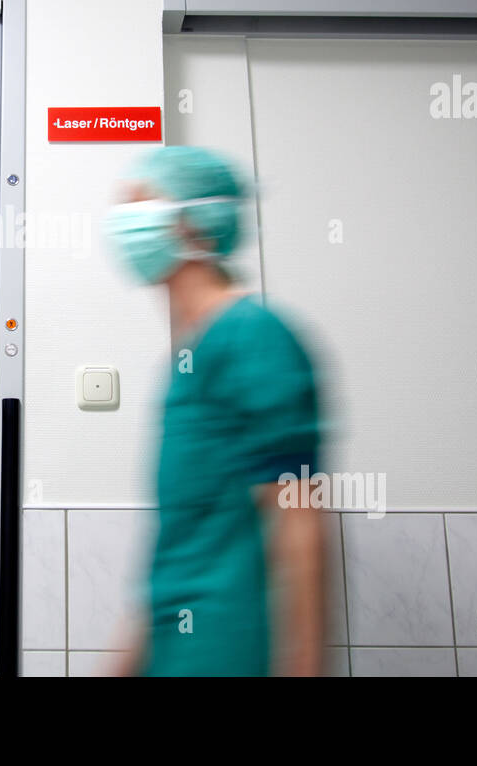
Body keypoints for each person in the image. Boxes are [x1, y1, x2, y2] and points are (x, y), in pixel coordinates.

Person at [100, 145, 327, 676]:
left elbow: (299, 521)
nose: (123, 223)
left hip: (230, 653)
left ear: (194, 224)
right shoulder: (187, 360)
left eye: (140, 206)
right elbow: (181, 548)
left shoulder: (255, 338)